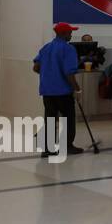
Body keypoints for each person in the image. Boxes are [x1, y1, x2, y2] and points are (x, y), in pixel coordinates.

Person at [32, 22, 84, 158]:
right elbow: (69, 73)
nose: (71, 35)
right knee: (68, 119)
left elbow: (36, 67)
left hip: (47, 91)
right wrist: (77, 89)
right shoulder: (68, 49)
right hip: (63, 91)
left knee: (50, 119)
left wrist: (49, 74)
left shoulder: (46, 48)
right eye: (70, 33)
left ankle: (47, 149)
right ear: (64, 34)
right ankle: (67, 146)